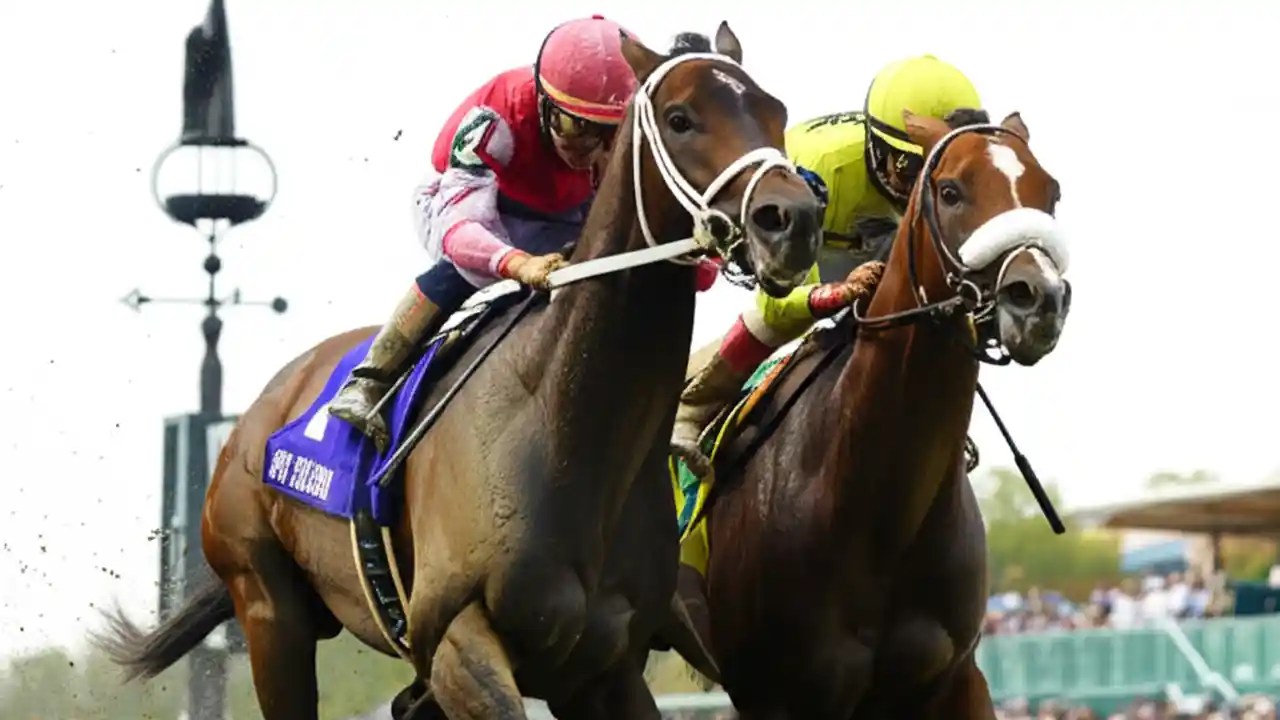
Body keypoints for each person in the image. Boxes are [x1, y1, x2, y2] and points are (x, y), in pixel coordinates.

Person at [329, 15, 671, 451]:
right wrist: (518, 263)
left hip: (560, 212)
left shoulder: (617, 141)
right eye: (573, 127)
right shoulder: (494, 121)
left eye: (609, 132)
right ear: (545, 103)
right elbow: (460, 232)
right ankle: (371, 379)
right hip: (471, 205)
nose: (588, 148)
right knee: (467, 269)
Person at [670, 54, 983, 475]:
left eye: (932, 172)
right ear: (875, 144)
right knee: (786, 319)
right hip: (808, 223)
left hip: (871, 237)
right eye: (908, 166)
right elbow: (779, 305)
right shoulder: (825, 162)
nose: (915, 187)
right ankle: (691, 409)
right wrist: (835, 294)